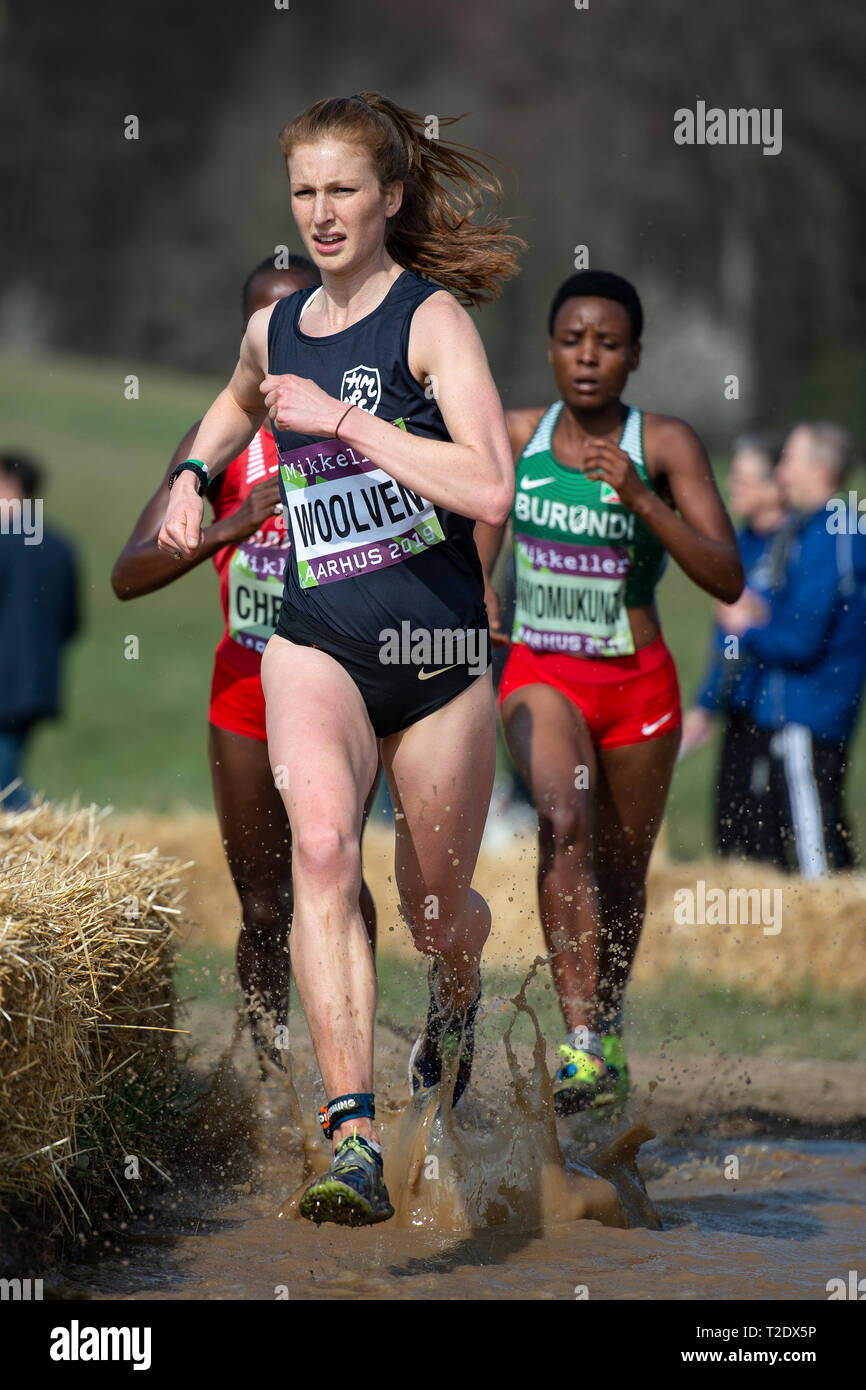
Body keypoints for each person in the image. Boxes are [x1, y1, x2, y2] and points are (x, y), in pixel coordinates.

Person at [157, 93, 521, 1225]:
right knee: (321, 849)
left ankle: (451, 1014)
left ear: (389, 198)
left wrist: (353, 425)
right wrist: (192, 474)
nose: (320, 214)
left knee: (429, 904)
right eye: (304, 193)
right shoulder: (278, 328)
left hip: (440, 657)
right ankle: (353, 1132)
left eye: (342, 192)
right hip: (316, 644)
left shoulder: (430, 323)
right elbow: (234, 399)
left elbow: (490, 485)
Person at [475, 270, 744, 1115]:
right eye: (571, 339)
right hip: (541, 674)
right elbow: (479, 540)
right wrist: (476, 588)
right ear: (551, 348)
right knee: (562, 820)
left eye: (608, 343)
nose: (588, 356)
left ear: (634, 356)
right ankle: (582, 1039)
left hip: (639, 688)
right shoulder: (517, 434)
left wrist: (638, 495)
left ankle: (608, 1030)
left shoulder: (666, 443)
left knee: (623, 877)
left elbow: (725, 573)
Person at [112, 255, 378, 1075]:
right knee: (265, 907)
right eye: (264, 320)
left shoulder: (356, 425)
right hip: (246, 688)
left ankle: (353, 1070)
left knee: (337, 878)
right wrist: (226, 529)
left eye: (297, 313)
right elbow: (130, 574)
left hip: (340, 684)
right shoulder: (215, 445)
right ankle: (272, 1079)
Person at [723, 422, 866, 877]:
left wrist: (746, 625)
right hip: (812, 712)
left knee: (814, 854)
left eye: (788, 462)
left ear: (820, 469)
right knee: (818, 833)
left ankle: (836, 945)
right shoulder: (822, 530)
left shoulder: (830, 537)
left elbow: (803, 640)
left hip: (809, 712)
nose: (781, 475)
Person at [680, 432, 786, 858]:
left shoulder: (794, 548)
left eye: (743, 480)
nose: (732, 488)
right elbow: (726, 638)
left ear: (776, 485)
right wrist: (706, 704)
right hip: (738, 708)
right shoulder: (737, 547)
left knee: (769, 842)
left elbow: (802, 629)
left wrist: (758, 619)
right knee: (730, 832)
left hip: (778, 716)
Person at [0, 453, 80, 810]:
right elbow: (72, 623)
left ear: (10, 487)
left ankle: (48, 822)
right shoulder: (61, 546)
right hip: (37, 683)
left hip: (5, 682)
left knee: (4, 786)